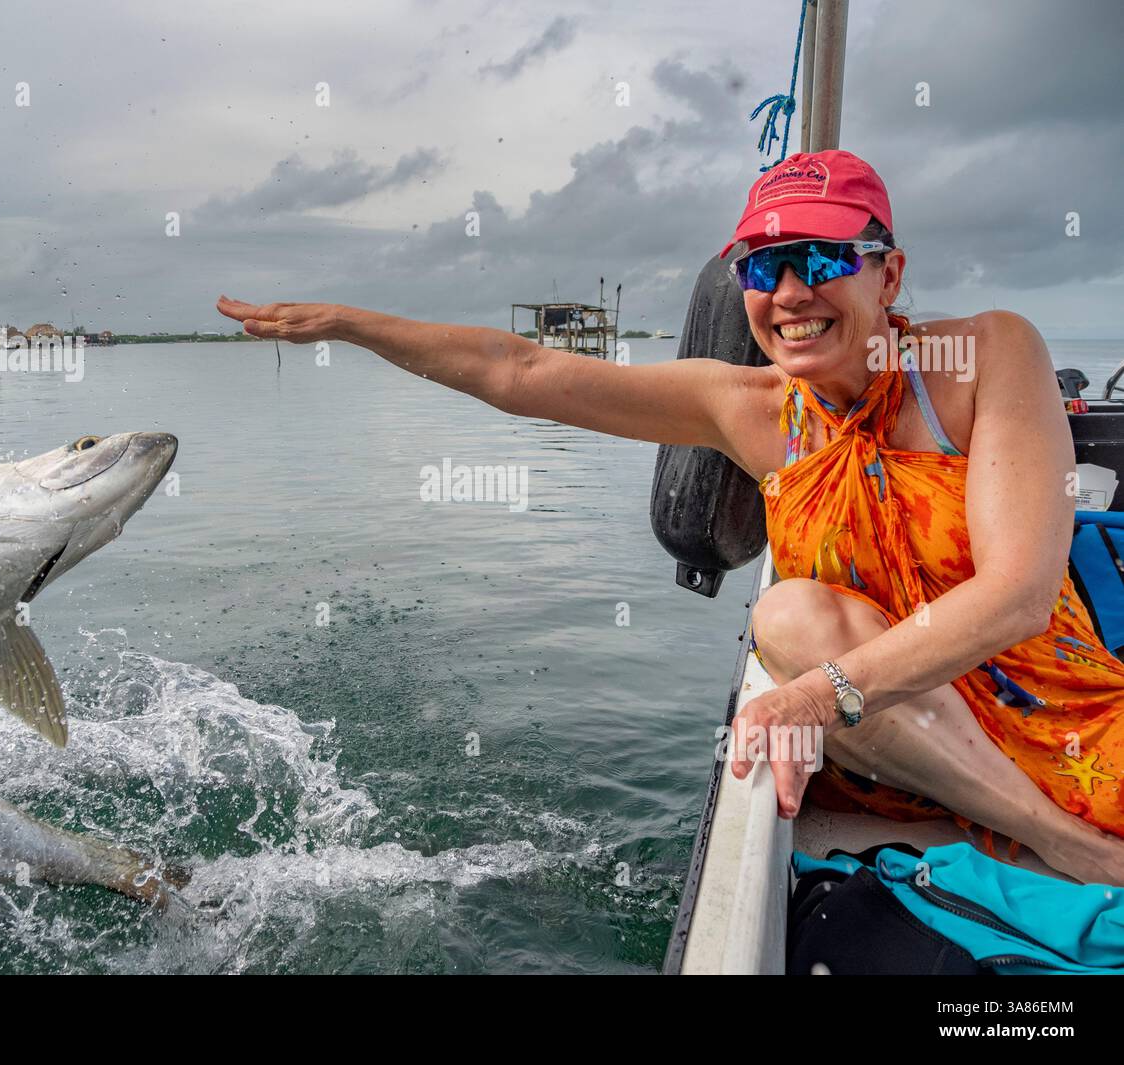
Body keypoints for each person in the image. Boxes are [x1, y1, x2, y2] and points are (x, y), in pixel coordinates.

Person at [218, 149, 1124, 886]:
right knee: (786, 614)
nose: (792, 293)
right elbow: (523, 372)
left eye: (823, 258)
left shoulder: (986, 356)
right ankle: (1052, 839)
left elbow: (1018, 595)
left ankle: (1051, 828)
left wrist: (812, 696)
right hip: (916, 736)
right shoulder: (754, 409)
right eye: (763, 267)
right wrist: (348, 324)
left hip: (1053, 706)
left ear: (889, 273)